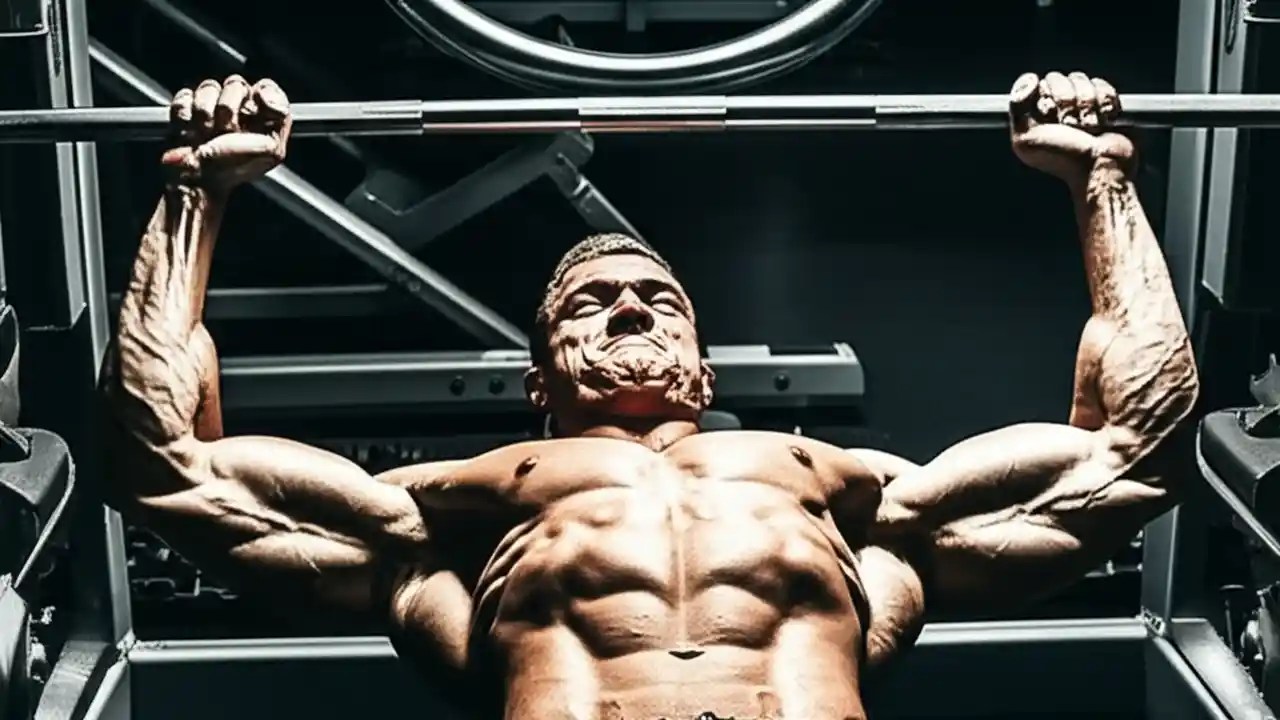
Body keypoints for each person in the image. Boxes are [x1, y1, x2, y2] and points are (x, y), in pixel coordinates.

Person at [99, 70, 1199, 720]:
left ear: (705, 372)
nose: (629, 308)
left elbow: (1134, 450)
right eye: (590, 302)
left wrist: (1099, 176)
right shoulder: (446, 519)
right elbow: (163, 464)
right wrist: (197, 191)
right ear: (536, 379)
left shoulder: (854, 504)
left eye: (657, 299)